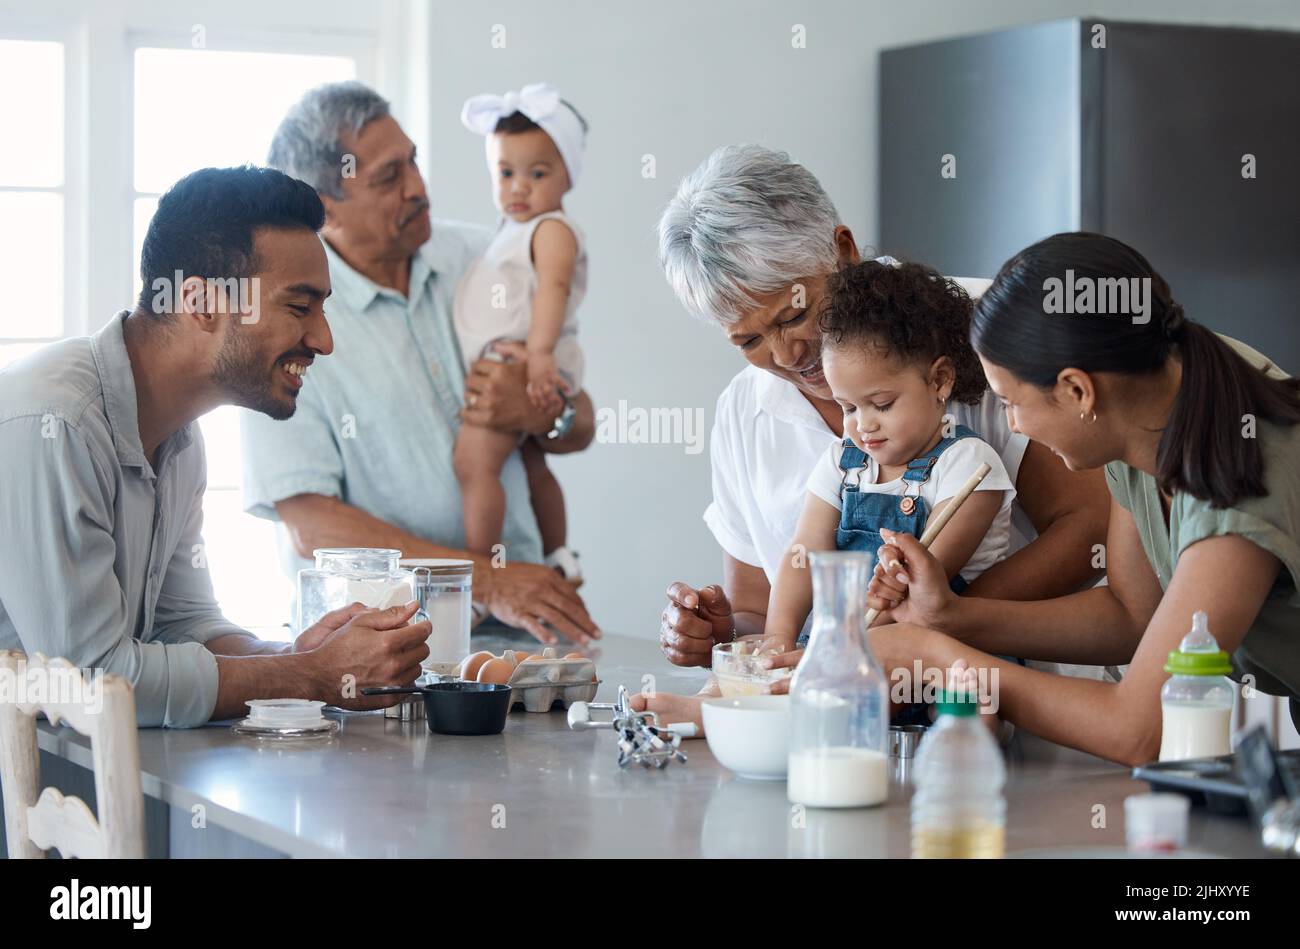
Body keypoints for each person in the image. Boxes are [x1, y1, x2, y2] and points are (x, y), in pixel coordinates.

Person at [0, 166, 430, 727]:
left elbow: (183, 623)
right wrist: (310, 675)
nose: (324, 340)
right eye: (299, 308)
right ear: (200, 300)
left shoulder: (179, 437)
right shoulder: (55, 423)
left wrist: (296, 655)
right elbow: (88, 679)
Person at [653, 144, 1109, 666]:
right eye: (748, 341)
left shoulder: (985, 337)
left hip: (997, 690)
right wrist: (721, 633)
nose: (787, 355)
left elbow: (1088, 525)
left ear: (842, 250)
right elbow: (758, 613)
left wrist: (931, 625)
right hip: (834, 699)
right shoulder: (743, 411)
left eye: (790, 316)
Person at [860, 232, 1300, 764]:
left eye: (1010, 403)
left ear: (1077, 391)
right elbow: (1131, 618)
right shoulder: (1148, 396)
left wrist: (933, 658)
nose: (1015, 425)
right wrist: (949, 616)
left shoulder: (1237, 485)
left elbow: (1138, 729)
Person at [243, 81, 600, 645]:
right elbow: (310, 523)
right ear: (323, 207)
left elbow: (582, 424)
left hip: (529, 632)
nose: (419, 188)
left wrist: (539, 414)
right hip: (377, 655)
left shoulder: (488, 257)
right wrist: (488, 580)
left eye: (413, 162)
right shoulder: (285, 327)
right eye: (389, 178)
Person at [765, 259, 1014, 650]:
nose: (863, 425)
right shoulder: (842, 463)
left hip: (936, 658)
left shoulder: (969, 467)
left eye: (881, 404)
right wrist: (777, 641)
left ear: (939, 380)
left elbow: (915, 588)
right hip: (845, 650)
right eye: (848, 408)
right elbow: (803, 556)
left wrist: (839, 656)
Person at [453, 83, 589, 580]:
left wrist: (538, 355)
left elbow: (552, 290)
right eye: (505, 173)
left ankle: (480, 574)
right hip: (523, 356)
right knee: (531, 465)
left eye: (537, 174)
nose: (518, 187)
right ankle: (559, 555)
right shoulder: (511, 230)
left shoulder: (550, 229)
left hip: (524, 361)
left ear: (567, 176)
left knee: (474, 465)